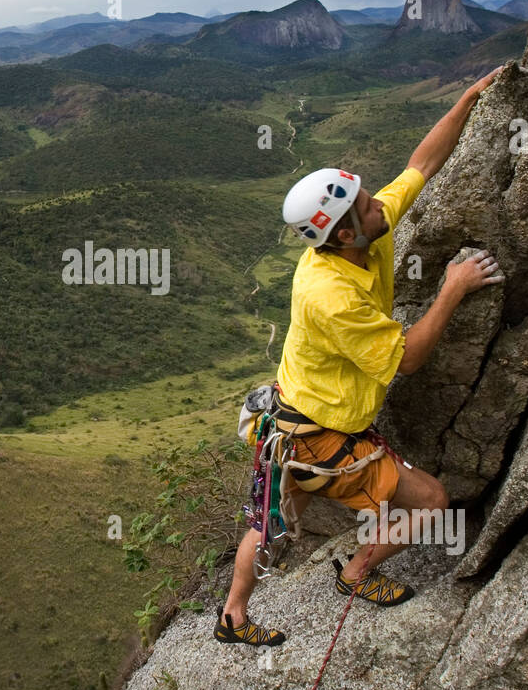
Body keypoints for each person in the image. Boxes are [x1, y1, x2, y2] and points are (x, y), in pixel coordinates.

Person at [215, 66, 506, 647]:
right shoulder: (330, 295)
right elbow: (411, 359)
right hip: (323, 435)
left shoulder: (358, 233)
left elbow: (421, 165)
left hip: (288, 423)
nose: (382, 208)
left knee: (269, 520)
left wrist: (467, 99)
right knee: (431, 503)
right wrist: (453, 286)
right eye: (369, 207)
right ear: (344, 234)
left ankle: (233, 614)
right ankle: (355, 573)